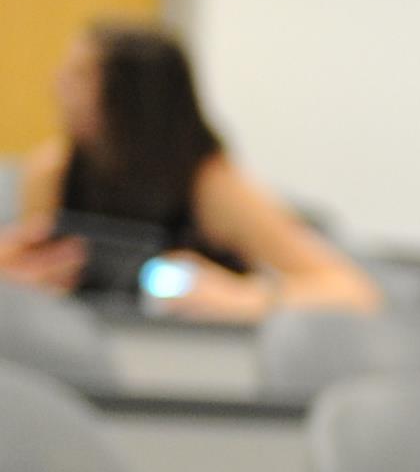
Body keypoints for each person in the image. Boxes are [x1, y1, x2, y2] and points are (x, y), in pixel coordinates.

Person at [0, 20, 377, 325]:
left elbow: (352, 291)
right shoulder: (52, 169)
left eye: (82, 74)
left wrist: (244, 297)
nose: (56, 84)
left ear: (130, 96)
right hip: (86, 353)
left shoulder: (211, 185)